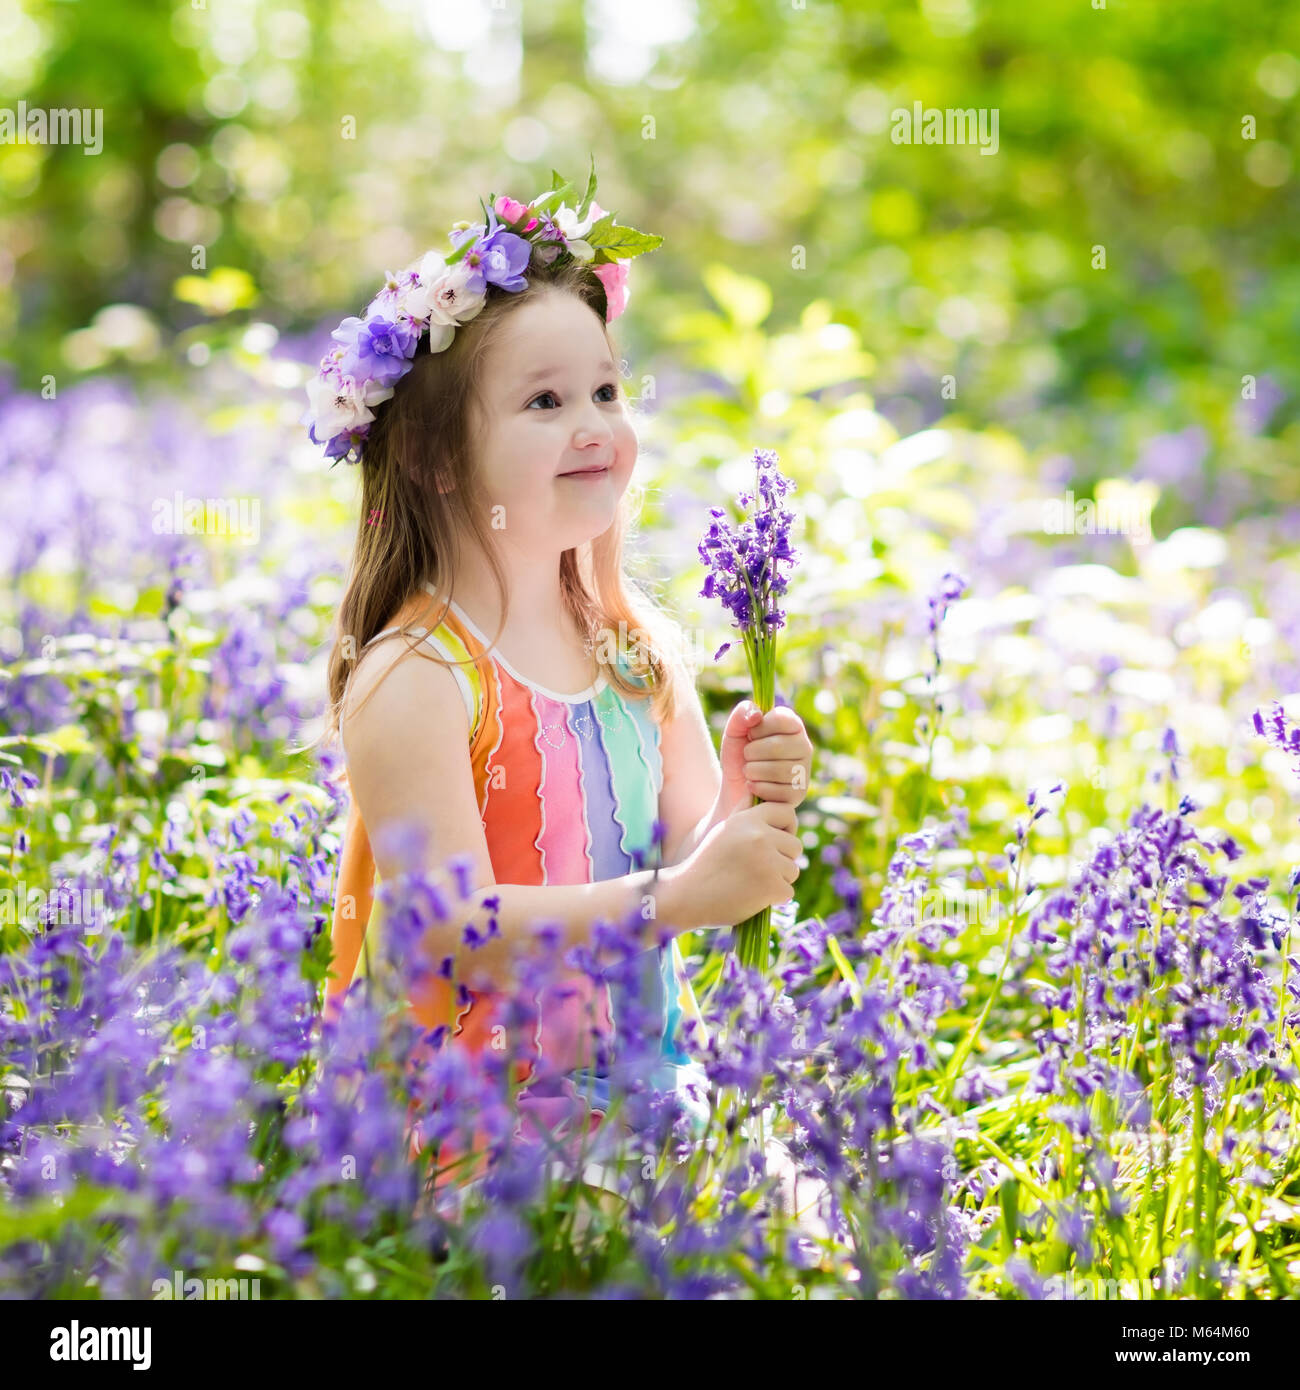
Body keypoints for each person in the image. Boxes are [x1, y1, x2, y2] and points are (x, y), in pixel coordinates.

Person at [310, 166, 813, 1223]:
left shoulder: (634, 652)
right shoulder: (416, 678)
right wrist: (678, 897)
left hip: (645, 1097)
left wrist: (739, 805)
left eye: (605, 391)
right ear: (439, 461)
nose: (595, 425)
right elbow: (452, 926)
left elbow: (687, 859)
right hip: (478, 1130)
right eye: (545, 401)